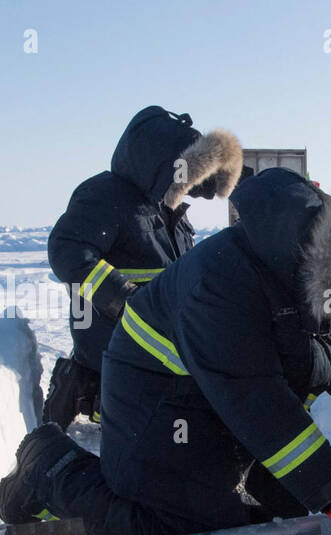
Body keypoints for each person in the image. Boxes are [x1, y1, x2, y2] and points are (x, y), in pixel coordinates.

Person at [0, 169, 331, 535]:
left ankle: (224, 491)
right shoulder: (222, 286)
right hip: (157, 394)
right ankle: (50, 468)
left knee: (285, 505)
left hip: (217, 393)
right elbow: (259, 406)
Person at [43, 106, 243, 429]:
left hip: (157, 338)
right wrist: (123, 299)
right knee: (167, 414)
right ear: (159, 165)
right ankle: (82, 386)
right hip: (115, 332)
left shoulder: (171, 214)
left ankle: (98, 394)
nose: (188, 186)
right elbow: (67, 248)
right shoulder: (106, 195)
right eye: (185, 175)